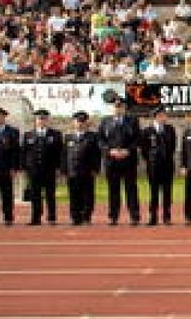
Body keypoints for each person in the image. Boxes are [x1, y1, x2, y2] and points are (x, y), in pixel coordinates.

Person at [98, 96, 141, 226]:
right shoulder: (105, 121)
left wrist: (128, 150)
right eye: (116, 106)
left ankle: (134, 216)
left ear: (124, 108)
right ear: (112, 108)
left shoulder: (132, 121)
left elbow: (137, 138)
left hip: (128, 160)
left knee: (131, 189)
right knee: (113, 189)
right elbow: (100, 140)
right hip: (111, 160)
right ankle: (113, 216)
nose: (118, 109)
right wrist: (109, 150)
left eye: (121, 106)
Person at [22, 109, 63, 226]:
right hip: (34, 170)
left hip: (49, 169)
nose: (41, 121)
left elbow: (60, 153)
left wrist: (59, 168)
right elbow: (24, 152)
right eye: (39, 119)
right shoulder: (28, 135)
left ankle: (51, 218)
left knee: (50, 194)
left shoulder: (55, 135)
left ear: (47, 120)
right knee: (35, 195)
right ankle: (35, 218)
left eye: (44, 119)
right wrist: (24, 167)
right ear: (35, 120)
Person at [140, 105, 177, 226]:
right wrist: (151, 160)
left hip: (167, 165)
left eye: (164, 115)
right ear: (155, 117)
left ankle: (166, 216)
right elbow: (144, 150)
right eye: (161, 115)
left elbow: (172, 147)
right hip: (153, 166)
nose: (164, 117)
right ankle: (153, 217)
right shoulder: (147, 131)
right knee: (154, 192)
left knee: (167, 192)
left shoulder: (170, 129)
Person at [63, 111, 101, 225]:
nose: (80, 124)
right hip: (72, 171)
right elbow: (64, 155)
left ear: (86, 123)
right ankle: (75, 217)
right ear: (73, 123)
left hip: (87, 171)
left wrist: (96, 169)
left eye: (82, 122)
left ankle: (86, 216)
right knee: (74, 195)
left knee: (88, 195)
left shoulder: (93, 136)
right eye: (77, 121)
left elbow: (97, 154)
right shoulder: (68, 137)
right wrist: (64, 169)